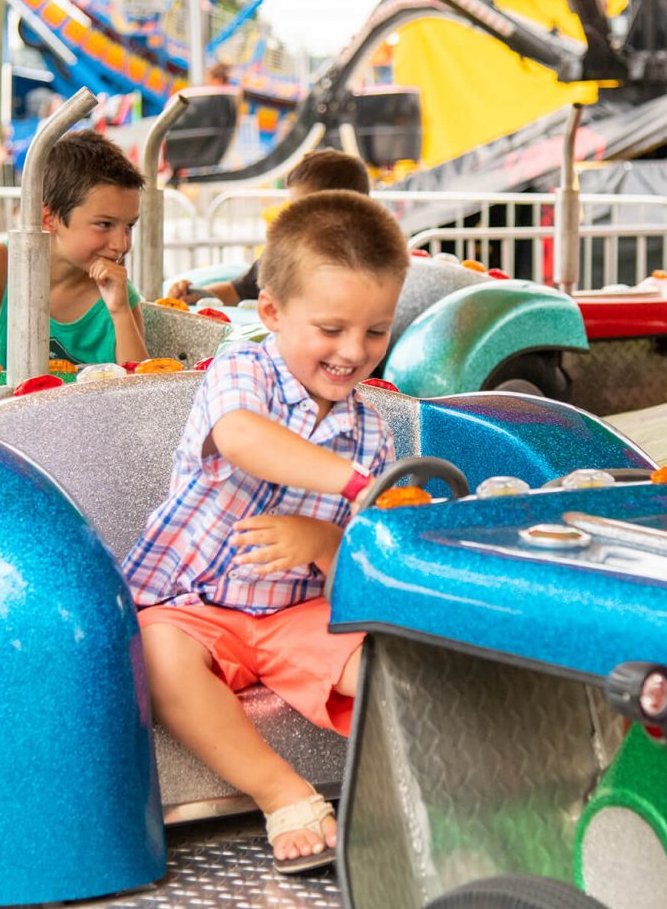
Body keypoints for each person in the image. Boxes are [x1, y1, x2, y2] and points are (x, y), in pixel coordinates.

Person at [122, 189, 408, 873]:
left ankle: (429, 792)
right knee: (157, 656)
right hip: (191, 606)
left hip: (292, 614)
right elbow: (243, 438)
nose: (353, 352)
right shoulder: (243, 372)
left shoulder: (374, 429)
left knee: (392, 661)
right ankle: (284, 793)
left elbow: (359, 573)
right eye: (332, 329)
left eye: (375, 331)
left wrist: (327, 542)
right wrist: (346, 484)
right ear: (273, 313)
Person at [0, 131, 150, 368]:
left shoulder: (118, 291)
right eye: (104, 224)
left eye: (129, 226)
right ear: (49, 219)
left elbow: (143, 389)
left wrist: (120, 311)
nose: (121, 244)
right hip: (6, 405)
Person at [165, 149, 372, 305]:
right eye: (293, 207)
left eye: (306, 210)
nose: (294, 217)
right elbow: (239, 291)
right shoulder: (283, 253)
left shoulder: (363, 266)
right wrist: (197, 296)